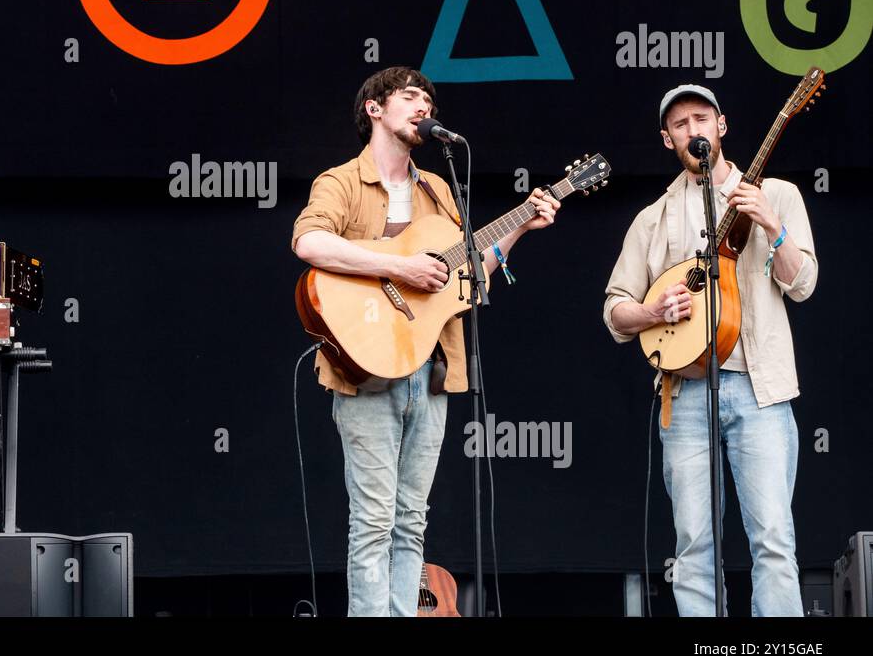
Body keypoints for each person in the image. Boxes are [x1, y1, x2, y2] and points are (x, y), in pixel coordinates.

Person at [291, 66, 558, 616]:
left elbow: (467, 274)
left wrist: (520, 227)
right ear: (374, 109)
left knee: (411, 519)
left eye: (429, 99)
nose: (423, 106)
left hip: (431, 370)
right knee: (372, 521)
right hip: (363, 369)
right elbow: (310, 242)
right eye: (410, 96)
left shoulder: (438, 188)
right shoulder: (340, 181)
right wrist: (401, 267)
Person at [603, 84, 817, 616]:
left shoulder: (778, 193)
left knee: (772, 537)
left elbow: (804, 283)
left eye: (702, 118)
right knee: (693, 546)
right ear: (667, 139)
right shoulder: (651, 219)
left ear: (721, 125)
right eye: (680, 124)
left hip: (761, 388)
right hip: (685, 391)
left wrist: (770, 222)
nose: (693, 129)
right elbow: (615, 311)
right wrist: (654, 312)